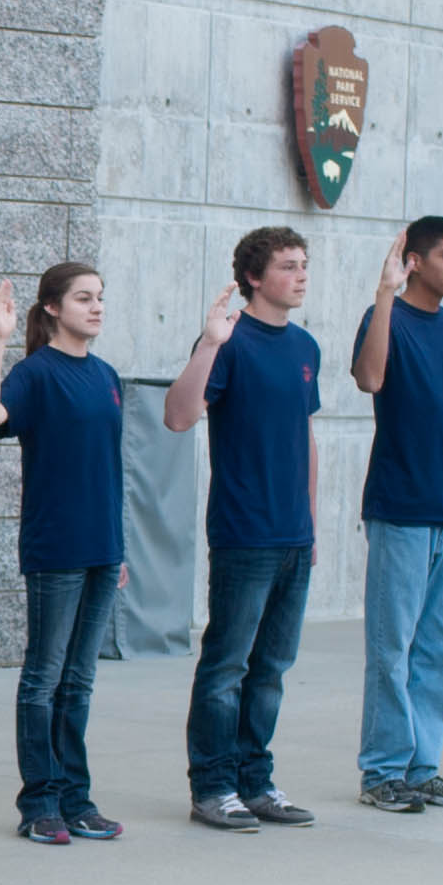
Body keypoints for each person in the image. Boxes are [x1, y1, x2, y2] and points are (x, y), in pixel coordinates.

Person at [167, 225, 322, 830]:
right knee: (226, 666)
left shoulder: (306, 347)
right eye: (288, 265)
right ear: (253, 278)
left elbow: (306, 439)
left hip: (292, 536)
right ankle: (212, 787)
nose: (301, 274)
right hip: (244, 534)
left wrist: (311, 525)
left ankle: (256, 781)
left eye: (304, 264)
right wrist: (207, 344)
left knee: (272, 670)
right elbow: (178, 417)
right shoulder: (229, 342)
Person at [0, 262, 127, 843]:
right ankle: (39, 803)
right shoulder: (36, 372)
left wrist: (118, 550)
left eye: (100, 297)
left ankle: (76, 798)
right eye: (84, 298)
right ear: (52, 308)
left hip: (100, 547)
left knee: (80, 681)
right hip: (55, 548)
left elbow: (111, 469)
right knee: (44, 678)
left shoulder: (107, 374)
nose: (96, 307)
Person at [350, 214, 443, 811]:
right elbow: (371, 378)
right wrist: (383, 295)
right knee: (392, 646)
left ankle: (422, 766)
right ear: (414, 261)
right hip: (399, 509)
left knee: (438, 649)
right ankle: (382, 772)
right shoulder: (387, 320)